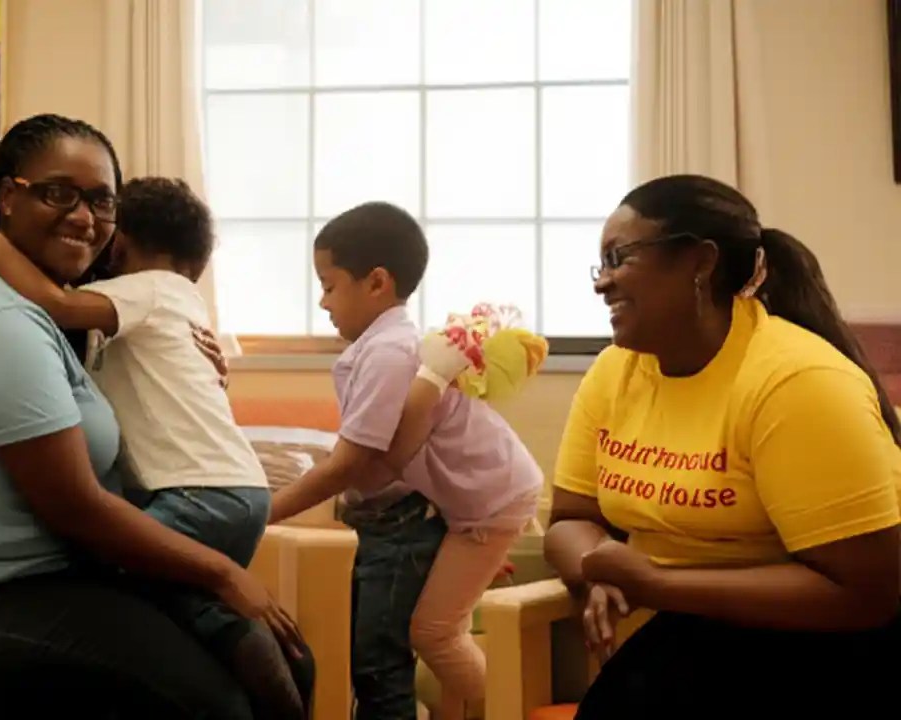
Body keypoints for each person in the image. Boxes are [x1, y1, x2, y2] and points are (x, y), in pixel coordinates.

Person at [0, 113, 310, 720]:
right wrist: (222, 575)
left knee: (288, 663)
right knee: (212, 704)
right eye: (59, 193)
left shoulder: (60, 311)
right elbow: (74, 507)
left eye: (102, 202)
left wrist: (192, 360)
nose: (84, 217)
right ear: (7, 196)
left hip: (53, 575)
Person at [544, 174, 901, 718]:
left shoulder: (796, 381)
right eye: (602, 264)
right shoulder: (616, 372)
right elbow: (570, 518)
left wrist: (660, 584)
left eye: (620, 258)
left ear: (700, 263)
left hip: (834, 642)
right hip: (698, 627)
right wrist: (598, 572)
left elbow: (866, 593)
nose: (603, 283)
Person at [266, 201, 545, 720]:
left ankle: (512, 705)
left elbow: (358, 464)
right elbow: (371, 458)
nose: (323, 302)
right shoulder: (384, 348)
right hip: (479, 496)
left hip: (492, 500)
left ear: (376, 283)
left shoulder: (391, 352)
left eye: (328, 285)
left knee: (427, 635)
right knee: (428, 633)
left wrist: (264, 511)